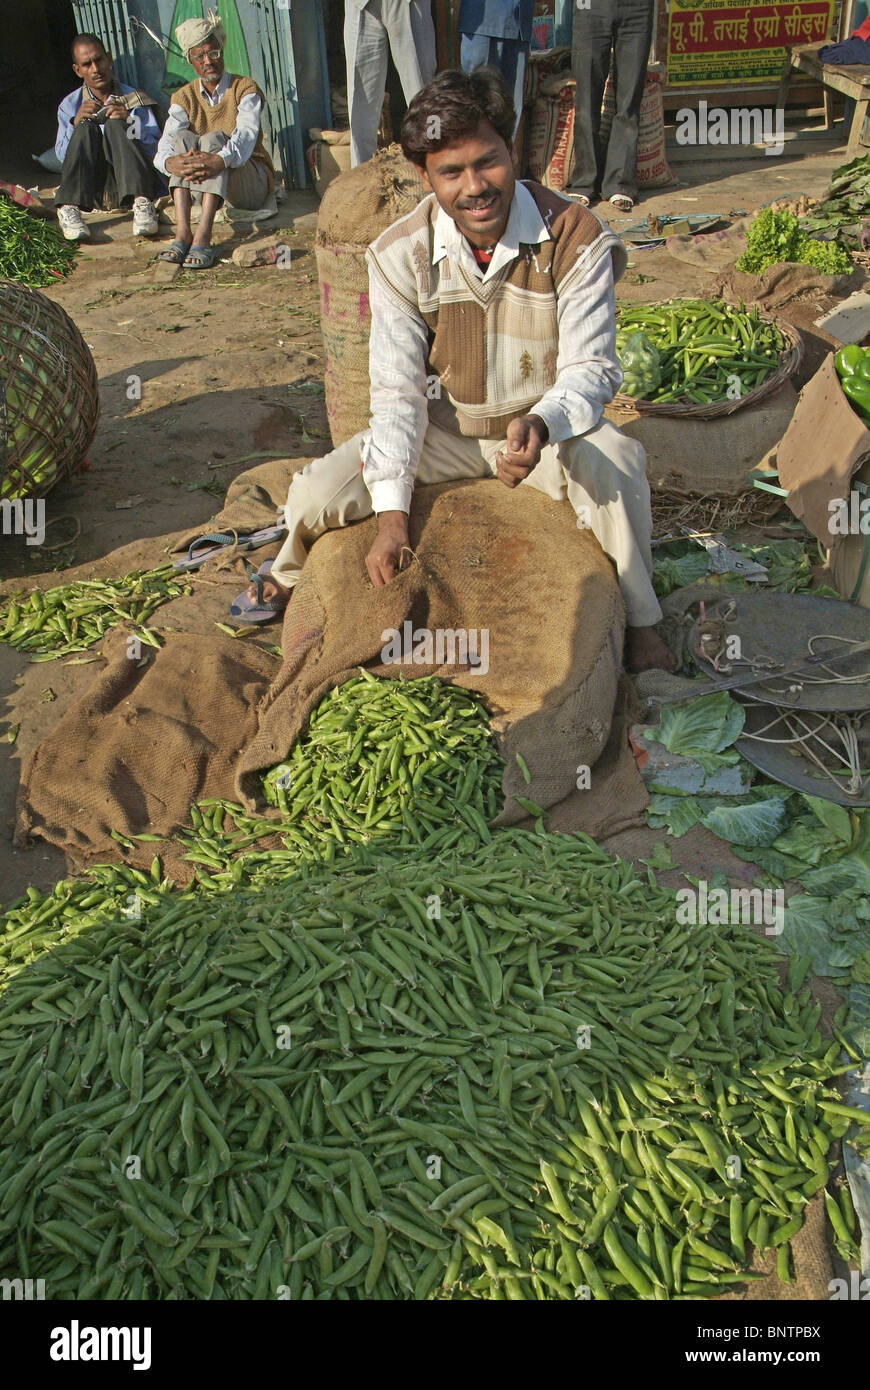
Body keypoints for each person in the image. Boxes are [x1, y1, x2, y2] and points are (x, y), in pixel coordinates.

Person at [233, 67, 673, 674]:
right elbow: (396, 394)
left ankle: (643, 618)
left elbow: (592, 368)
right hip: (447, 437)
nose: (475, 187)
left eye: (487, 163)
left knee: (618, 462)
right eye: (450, 172)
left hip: (543, 440)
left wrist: (541, 424)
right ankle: (285, 570)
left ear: (513, 151)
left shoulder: (576, 236)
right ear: (425, 176)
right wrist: (392, 519)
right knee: (313, 494)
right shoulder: (399, 253)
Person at [153, 16, 275, 269]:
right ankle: (183, 233)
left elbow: (245, 137)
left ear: (221, 51)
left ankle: (204, 236)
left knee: (214, 139)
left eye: (214, 53)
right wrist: (170, 163)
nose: (208, 61)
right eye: (200, 57)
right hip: (208, 185)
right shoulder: (183, 96)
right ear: (191, 61)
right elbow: (165, 142)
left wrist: (219, 160)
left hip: (248, 183)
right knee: (182, 139)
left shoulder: (245, 88)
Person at [55, 33, 161, 242]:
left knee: (116, 123)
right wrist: (75, 124)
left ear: (109, 58)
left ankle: (142, 202)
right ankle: (69, 207)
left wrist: (130, 121)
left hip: (132, 184)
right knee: (85, 127)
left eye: (99, 60)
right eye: (87, 64)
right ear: (78, 70)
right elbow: (61, 157)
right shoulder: (70, 105)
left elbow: (155, 151)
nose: (96, 69)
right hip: (94, 190)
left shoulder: (134, 99)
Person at [567, 0, 654, 213]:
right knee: (587, 99)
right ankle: (585, 182)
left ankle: (620, 183)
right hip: (590, 8)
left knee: (629, 101)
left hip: (637, 9)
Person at [344, 0, 437, 167]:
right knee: (360, 106)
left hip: (409, 4)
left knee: (425, 95)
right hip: (360, 5)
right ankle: (360, 182)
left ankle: (436, 168)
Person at [457, 0, 534, 135]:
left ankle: (506, 154)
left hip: (519, 23)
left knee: (511, 113)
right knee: (475, 106)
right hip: (483, 21)